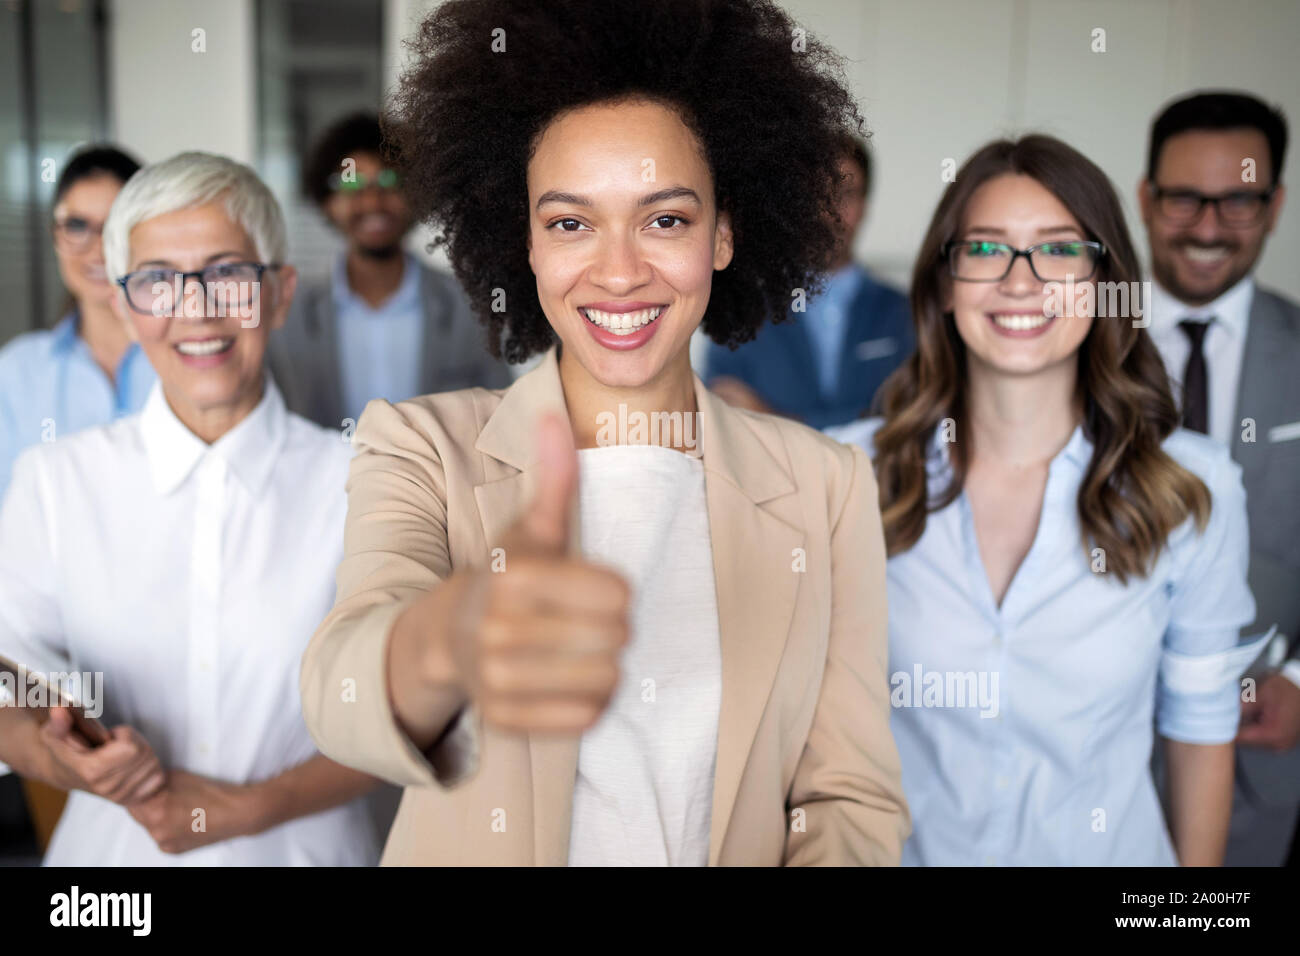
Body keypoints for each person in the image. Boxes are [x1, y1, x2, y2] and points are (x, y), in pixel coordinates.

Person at [300, 0, 908, 866]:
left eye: (665, 219)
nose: (620, 272)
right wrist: (458, 630)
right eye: (571, 223)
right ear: (527, 244)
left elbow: (846, 798)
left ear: (724, 234)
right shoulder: (422, 447)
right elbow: (342, 695)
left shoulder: (828, 486)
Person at [829, 135, 1259, 866]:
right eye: (987, 250)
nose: (1021, 282)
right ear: (944, 283)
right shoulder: (846, 472)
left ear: (1103, 281)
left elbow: (1200, 733)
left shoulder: (1192, 487)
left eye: (1059, 251)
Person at [0, 152, 383, 865]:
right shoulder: (55, 482)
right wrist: (65, 762)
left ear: (280, 293)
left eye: (229, 275)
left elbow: (419, 711)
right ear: (122, 302)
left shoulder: (365, 483)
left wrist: (249, 808)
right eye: (156, 282)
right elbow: (7, 685)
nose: (197, 310)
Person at [1138, 90, 1300, 866]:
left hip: (1264, 765)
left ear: (1275, 206)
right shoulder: (1063, 339)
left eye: (1237, 200)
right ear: (1145, 199)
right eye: (1184, 199)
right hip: (1089, 766)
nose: (1207, 227)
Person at [268, 113, 512, 430]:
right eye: (352, 182)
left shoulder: (471, 307)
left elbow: (498, 418)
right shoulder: (287, 313)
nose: (372, 201)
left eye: (390, 181)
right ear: (327, 202)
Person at [705, 134, 912, 428]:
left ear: (865, 205)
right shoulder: (739, 312)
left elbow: (914, 419)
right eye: (815, 193)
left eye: (844, 194)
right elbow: (722, 421)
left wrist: (774, 420)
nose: (828, 212)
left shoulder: (905, 313)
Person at [0, 145, 156, 498]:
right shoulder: (16, 374)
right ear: (55, 237)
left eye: (117, 225)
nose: (98, 248)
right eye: (77, 225)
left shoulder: (190, 354)